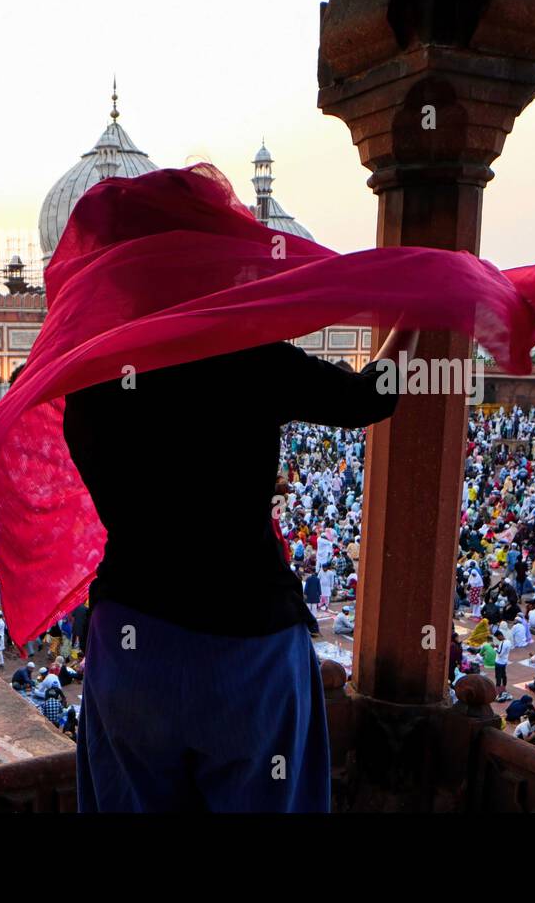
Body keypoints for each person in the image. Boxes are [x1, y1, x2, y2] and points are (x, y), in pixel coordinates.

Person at [64, 327, 418, 812]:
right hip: (249, 649)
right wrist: (411, 320)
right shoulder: (245, 354)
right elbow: (367, 397)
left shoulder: (92, 371)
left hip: (131, 646)